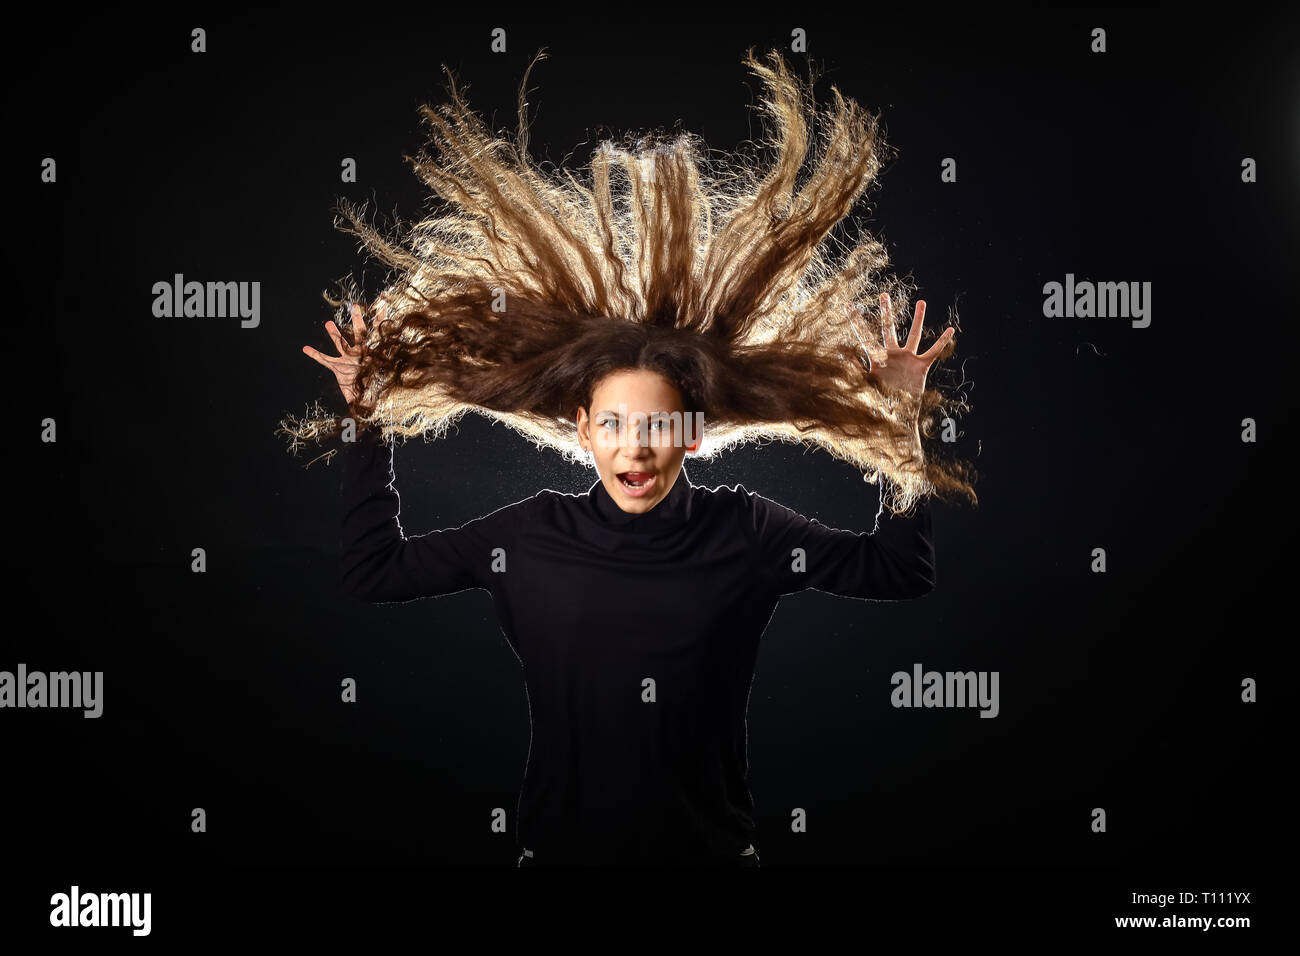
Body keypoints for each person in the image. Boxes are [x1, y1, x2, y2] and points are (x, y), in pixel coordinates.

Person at [292, 47, 976, 866]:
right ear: (582, 430)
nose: (636, 449)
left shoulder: (747, 530)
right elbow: (375, 572)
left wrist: (903, 421)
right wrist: (365, 419)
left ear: (692, 431)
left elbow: (901, 572)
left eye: (657, 427)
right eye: (614, 426)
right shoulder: (531, 535)